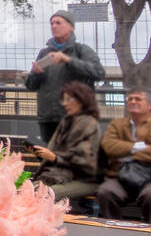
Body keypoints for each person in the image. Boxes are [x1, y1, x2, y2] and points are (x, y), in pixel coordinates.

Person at [97, 88, 151, 223]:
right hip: (120, 175)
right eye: (130, 99)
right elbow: (109, 147)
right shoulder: (117, 124)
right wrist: (139, 147)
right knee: (106, 192)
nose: (133, 101)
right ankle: (114, 230)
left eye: (138, 99)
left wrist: (126, 154)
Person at [25, 10, 104, 143]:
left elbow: (98, 72)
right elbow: (31, 85)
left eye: (58, 23)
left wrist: (68, 60)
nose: (54, 26)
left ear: (71, 26)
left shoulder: (82, 50)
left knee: (74, 156)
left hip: (75, 117)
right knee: (51, 156)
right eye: (52, 23)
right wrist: (36, 74)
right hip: (48, 118)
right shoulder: (45, 53)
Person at [30, 80, 102, 209]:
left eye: (69, 100)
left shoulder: (88, 124)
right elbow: (58, 154)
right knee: (26, 190)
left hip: (84, 179)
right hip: (61, 175)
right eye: (64, 100)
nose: (64, 104)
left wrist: (55, 158)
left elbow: (85, 162)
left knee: (44, 194)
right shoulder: (67, 122)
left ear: (81, 100)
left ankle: (44, 226)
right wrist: (44, 154)